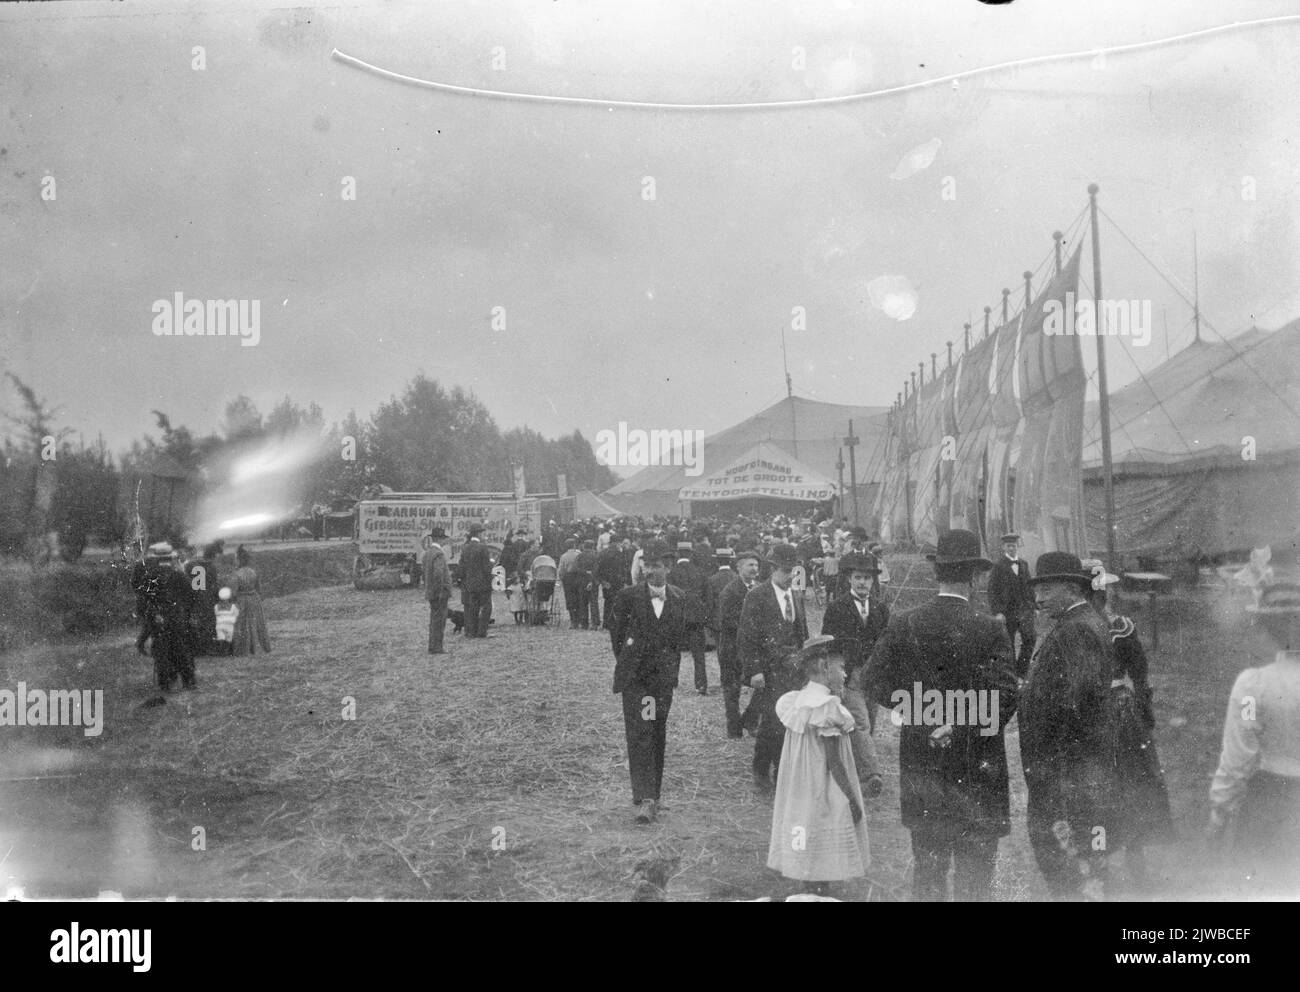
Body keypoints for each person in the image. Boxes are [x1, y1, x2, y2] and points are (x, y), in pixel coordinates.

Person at [858, 529, 1017, 901]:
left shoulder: (906, 622)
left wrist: (921, 715)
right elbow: (1007, 695)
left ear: (937, 574)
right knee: (976, 876)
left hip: (923, 763)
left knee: (928, 870)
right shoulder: (991, 628)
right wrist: (959, 726)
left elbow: (872, 680)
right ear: (976, 578)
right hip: (978, 765)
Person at [1019, 550, 1124, 900]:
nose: (1038, 598)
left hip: (1068, 779)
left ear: (1071, 587)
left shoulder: (1076, 631)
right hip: (1079, 774)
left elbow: (1069, 707)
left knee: (1071, 869)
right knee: (1084, 867)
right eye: (1037, 590)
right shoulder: (1078, 623)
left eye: (1047, 589)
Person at [1080, 558, 1174, 887]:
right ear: (1103, 591)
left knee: (1097, 791)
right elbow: (1141, 674)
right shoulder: (1117, 626)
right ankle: (1133, 863)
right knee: (1131, 785)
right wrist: (1143, 710)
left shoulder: (1077, 629)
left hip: (1093, 717)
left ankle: (1100, 862)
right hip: (1121, 712)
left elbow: (1139, 672)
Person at [1208, 581, 1300, 894]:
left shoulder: (1253, 689)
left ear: (1271, 629)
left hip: (1272, 800)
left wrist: (1219, 812)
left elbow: (1239, 755)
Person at [767, 635, 871, 896]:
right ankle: (818, 893)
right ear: (825, 668)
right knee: (824, 842)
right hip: (822, 787)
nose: (845, 674)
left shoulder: (800, 700)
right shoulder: (825, 707)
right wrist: (851, 799)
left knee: (807, 840)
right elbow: (834, 762)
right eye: (841, 668)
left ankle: (808, 888)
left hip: (802, 789)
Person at [609, 539, 688, 824]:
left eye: (655, 565)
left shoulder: (678, 597)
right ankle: (645, 798)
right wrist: (632, 665)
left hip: (661, 682)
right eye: (646, 565)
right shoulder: (627, 597)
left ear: (667, 568)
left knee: (656, 732)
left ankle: (651, 791)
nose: (649, 570)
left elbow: (678, 639)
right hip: (638, 681)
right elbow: (617, 637)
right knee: (641, 731)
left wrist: (667, 673)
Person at [739, 543, 810, 789]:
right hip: (769, 670)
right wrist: (755, 671)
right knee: (771, 721)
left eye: (793, 570)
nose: (790, 575)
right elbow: (747, 636)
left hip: (795, 670)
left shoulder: (797, 596)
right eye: (785, 570)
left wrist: (807, 663)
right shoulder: (757, 596)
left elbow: (803, 634)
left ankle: (782, 771)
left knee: (791, 721)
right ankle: (761, 770)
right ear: (773, 569)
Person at [821, 552, 888, 787]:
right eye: (858, 577)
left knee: (869, 721)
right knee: (860, 724)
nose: (862, 582)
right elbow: (830, 646)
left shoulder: (880, 608)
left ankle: (854, 765)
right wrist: (835, 678)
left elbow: (886, 644)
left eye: (867, 578)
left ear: (873, 581)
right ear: (850, 578)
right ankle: (872, 775)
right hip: (849, 676)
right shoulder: (837, 608)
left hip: (874, 676)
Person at [142, 542, 198, 691]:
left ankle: (166, 683)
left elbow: (147, 600)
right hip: (177, 616)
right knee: (180, 648)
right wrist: (184, 611)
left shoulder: (150, 577)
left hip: (159, 618)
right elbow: (191, 596)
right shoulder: (179, 574)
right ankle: (189, 680)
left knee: (162, 651)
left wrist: (155, 614)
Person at [718, 549, 761, 738]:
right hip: (731, 647)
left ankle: (749, 719)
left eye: (756, 565)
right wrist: (751, 627)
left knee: (763, 684)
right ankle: (734, 729)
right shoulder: (731, 590)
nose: (754, 569)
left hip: (751, 647)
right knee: (732, 689)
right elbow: (725, 620)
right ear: (739, 567)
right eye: (749, 565)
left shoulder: (759, 588)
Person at [987, 533, 1036, 677]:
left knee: (1030, 639)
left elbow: (1029, 586)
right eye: (1008, 546)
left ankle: (1021, 671)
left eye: (1013, 546)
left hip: (1025, 611)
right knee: (1009, 642)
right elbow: (992, 591)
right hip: (1008, 612)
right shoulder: (998, 566)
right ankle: (1012, 672)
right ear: (1003, 547)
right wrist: (998, 612)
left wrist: (1034, 606)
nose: (1011, 548)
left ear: (1017, 547)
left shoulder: (1024, 564)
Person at [669, 542, 710, 694]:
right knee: (698, 654)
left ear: (678, 554)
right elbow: (707, 596)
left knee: (674, 651)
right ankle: (701, 684)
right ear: (691, 554)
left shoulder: (671, 572)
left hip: (677, 616)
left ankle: (672, 680)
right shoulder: (700, 572)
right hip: (696, 617)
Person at [231, 544, 272, 656]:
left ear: (239, 560)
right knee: (256, 623)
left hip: (242, 601)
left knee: (242, 625)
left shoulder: (237, 574)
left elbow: (234, 592)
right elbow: (259, 588)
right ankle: (256, 646)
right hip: (254, 599)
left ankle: (244, 648)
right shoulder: (253, 572)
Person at [183, 542, 221, 656]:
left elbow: (188, 583)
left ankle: (196, 648)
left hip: (195, 595)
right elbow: (214, 583)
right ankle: (209, 647)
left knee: (195, 622)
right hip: (208, 597)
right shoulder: (212, 566)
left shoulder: (190, 565)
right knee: (209, 622)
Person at [459, 523, 494, 638]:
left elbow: (462, 567)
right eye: (483, 533)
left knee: (473, 608)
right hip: (483, 584)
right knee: (486, 607)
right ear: (479, 534)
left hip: (470, 584)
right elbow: (486, 568)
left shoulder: (465, 547)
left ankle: (472, 631)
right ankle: (482, 632)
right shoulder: (483, 547)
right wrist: (491, 577)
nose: (484, 535)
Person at [422, 527, 452, 655]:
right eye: (444, 539)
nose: (445, 541)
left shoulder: (427, 553)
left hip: (431, 592)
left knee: (434, 619)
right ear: (440, 539)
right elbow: (439, 574)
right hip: (439, 593)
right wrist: (441, 591)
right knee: (439, 620)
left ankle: (432, 646)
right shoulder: (438, 554)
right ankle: (437, 647)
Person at [213, 586, 239, 655]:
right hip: (229, 625)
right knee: (229, 638)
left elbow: (216, 614)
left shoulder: (216, 606)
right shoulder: (233, 607)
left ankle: (222, 651)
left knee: (221, 637)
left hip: (220, 625)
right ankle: (228, 651)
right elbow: (236, 614)